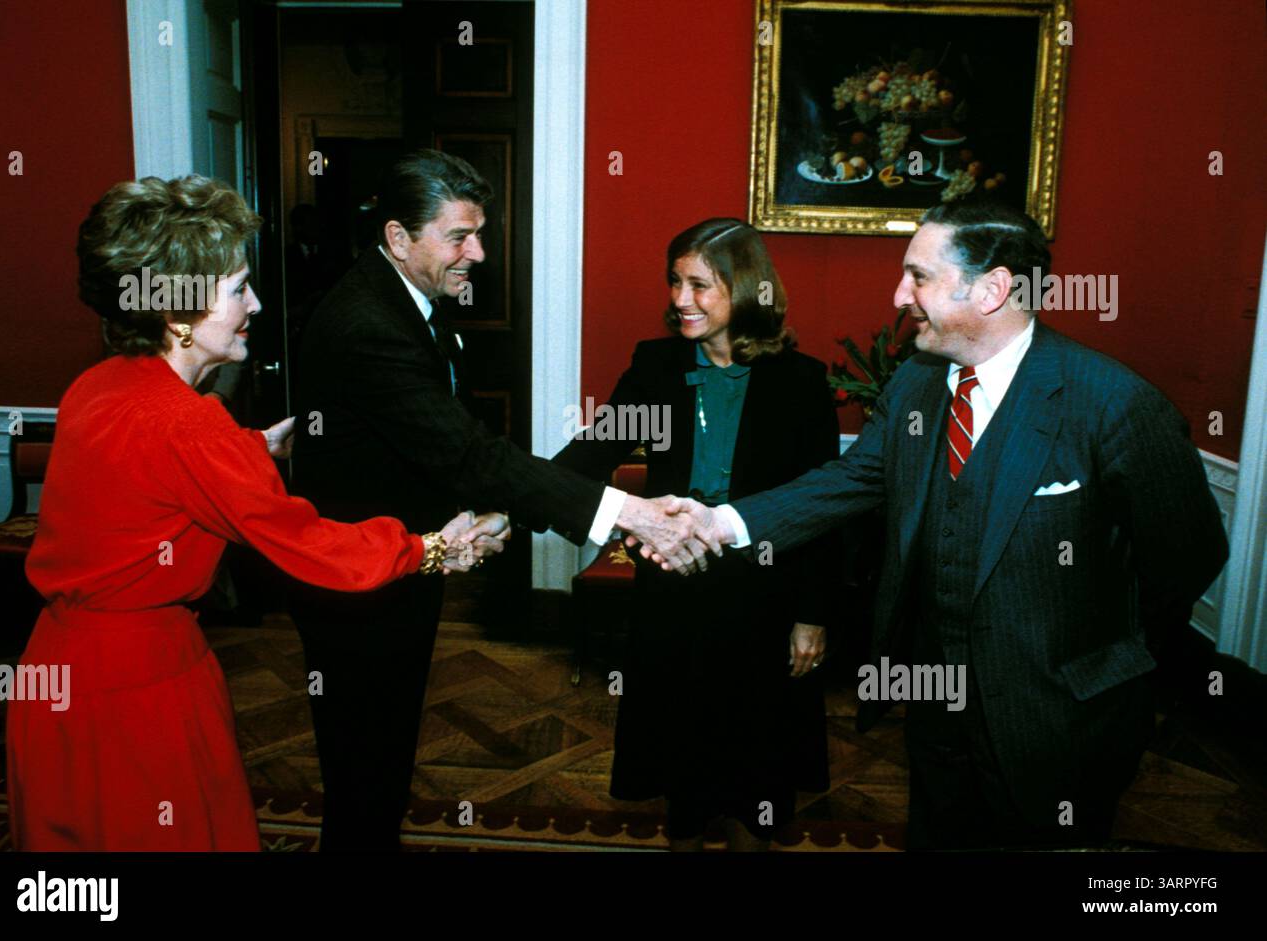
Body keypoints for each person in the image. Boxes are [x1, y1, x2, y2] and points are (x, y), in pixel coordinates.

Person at [647, 200, 1229, 850]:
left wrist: (1090, 658)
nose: (900, 294)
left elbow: (1186, 557)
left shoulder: (1113, 404)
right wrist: (719, 522)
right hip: (935, 706)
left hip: (1056, 718)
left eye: (918, 276)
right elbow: (846, 482)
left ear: (993, 288)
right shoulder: (917, 386)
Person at [6, 175, 500, 852]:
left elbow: (142, 479)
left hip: (57, 674)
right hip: (138, 690)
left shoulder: (99, 385)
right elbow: (313, 547)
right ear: (177, 312)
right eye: (238, 287)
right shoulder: (194, 429)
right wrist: (433, 548)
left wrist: (251, 448)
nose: (256, 303)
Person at [288, 149, 705, 851]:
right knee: (363, 770)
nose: (477, 252)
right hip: (354, 589)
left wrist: (486, 517)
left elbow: (447, 441)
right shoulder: (369, 324)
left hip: (400, 569)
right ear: (398, 238)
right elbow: (470, 454)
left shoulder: (412, 306)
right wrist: (624, 511)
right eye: (459, 235)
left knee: (382, 763)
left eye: (478, 233)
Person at [552, 219, 837, 851]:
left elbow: (823, 512)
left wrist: (811, 616)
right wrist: (511, 498)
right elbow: (590, 454)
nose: (681, 298)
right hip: (674, 586)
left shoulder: (801, 381)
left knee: (755, 760)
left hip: (762, 593)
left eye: (700, 285)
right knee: (680, 751)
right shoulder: (655, 366)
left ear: (745, 289)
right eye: (675, 281)